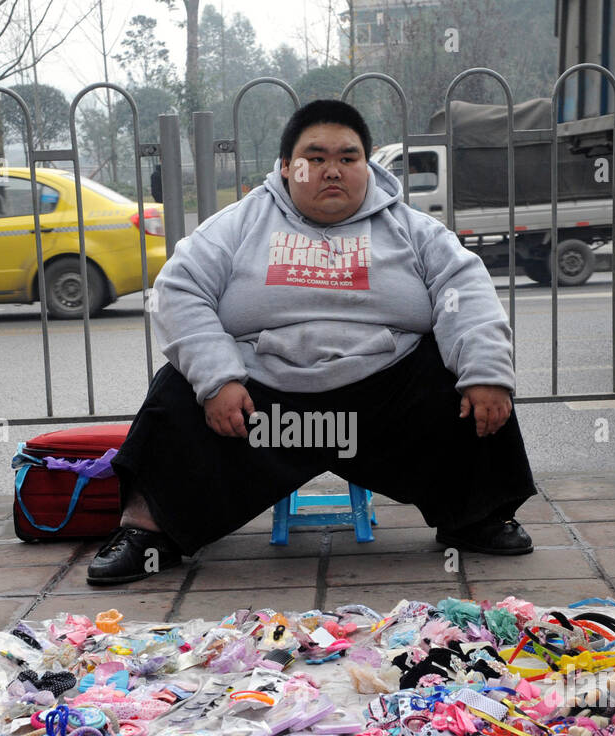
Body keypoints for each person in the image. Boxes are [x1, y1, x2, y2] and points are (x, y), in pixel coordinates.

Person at [86, 99, 538, 585]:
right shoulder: (237, 225)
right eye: (315, 158)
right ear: (285, 167)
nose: (332, 171)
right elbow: (179, 291)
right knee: (177, 389)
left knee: (465, 378)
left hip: (385, 410)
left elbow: (465, 294)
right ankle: (148, 531)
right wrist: (218, 380)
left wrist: (487, 373)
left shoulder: (415, 230)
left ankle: (477, 517)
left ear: (367, 166)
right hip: (263, 410)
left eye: (348, 158)